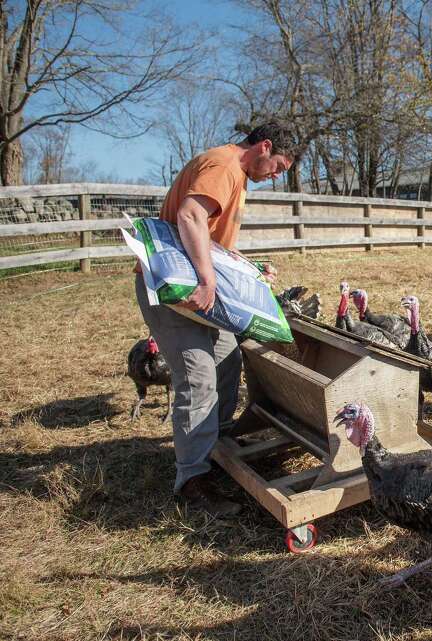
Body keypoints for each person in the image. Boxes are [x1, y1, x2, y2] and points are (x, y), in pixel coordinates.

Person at [135, 121, 295, 516]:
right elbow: (190, 218)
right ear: (264, 147)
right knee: (197, 376)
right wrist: (208, 280)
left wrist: (247, 268)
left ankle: (217, 444)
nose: (275, 176)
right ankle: (193, 481)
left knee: (227, 359)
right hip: (178, 291)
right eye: (278, 167)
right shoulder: (224, 166)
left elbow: (209, 239)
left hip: (198, 286)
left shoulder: (234, 173)